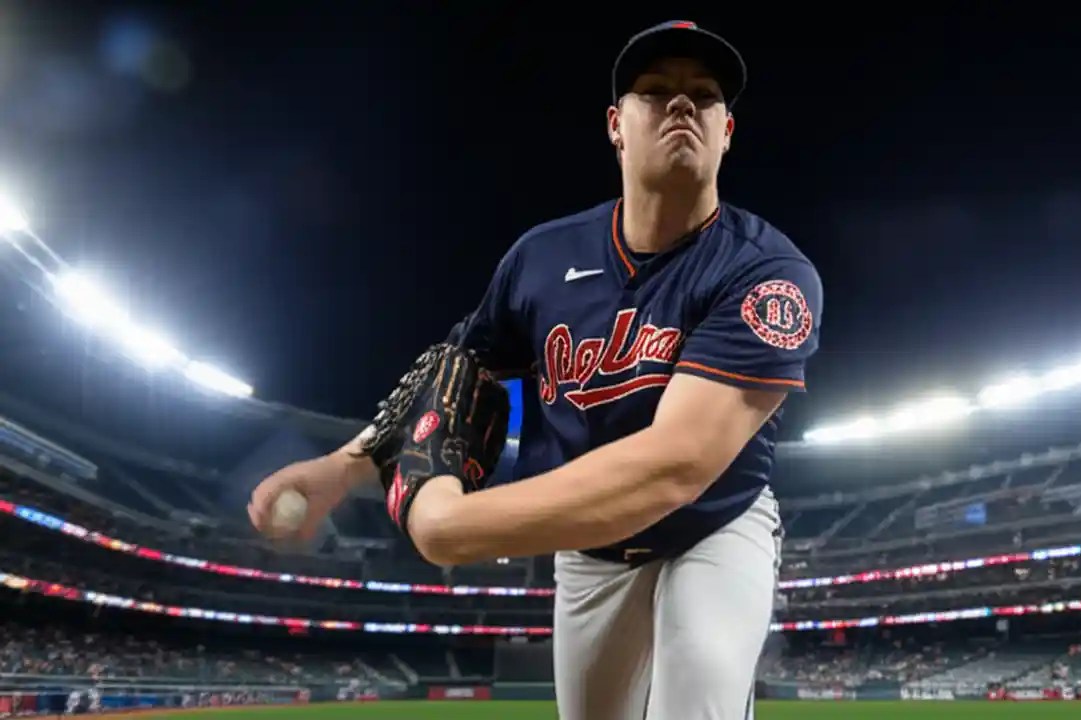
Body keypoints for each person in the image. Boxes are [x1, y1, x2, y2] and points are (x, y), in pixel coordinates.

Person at [248, 20, 823, 719]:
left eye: (703, 96)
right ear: (616, 125)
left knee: (696, 695)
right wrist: (343, 467)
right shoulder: (542, 260)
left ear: (727, 131)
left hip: (715, 525)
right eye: (656, 91)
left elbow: (677, 466)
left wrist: (453, 528)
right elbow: (453, 383)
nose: (682, 105)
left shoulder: (767, 274)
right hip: (590, 550)